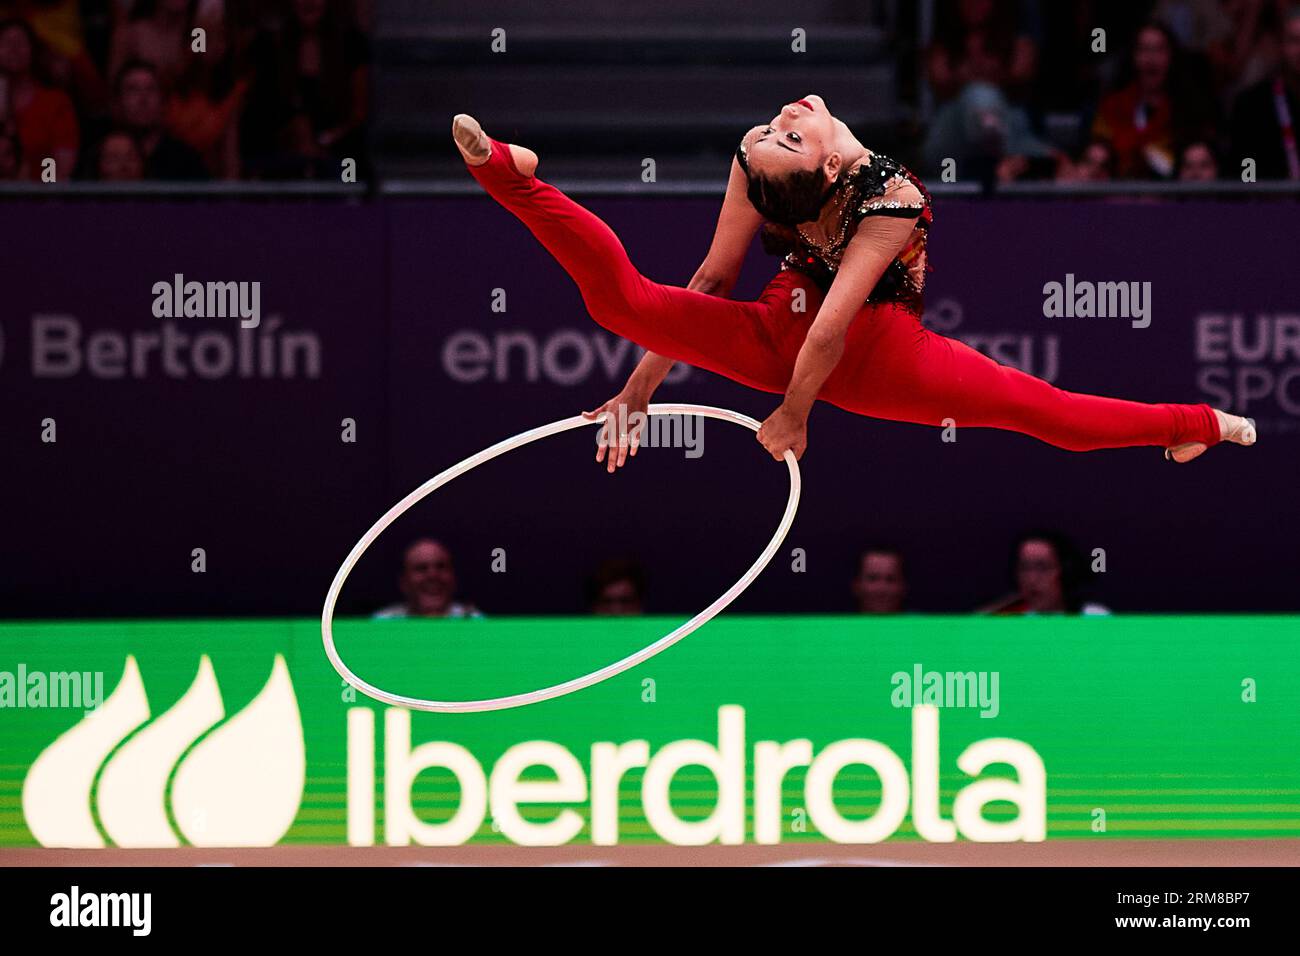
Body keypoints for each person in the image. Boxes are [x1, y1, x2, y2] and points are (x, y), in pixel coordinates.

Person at [452, 98, 1256, 473]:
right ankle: (510, 176)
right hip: (784, 328)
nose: (779, 118)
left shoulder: (891, 197)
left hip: (875, 345)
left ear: (832, 169)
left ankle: (1201, 423)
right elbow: (711, 279)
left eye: (783, 132)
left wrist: (795, 414)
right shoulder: (762, 167)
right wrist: (638, 391)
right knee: (619, 302)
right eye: (777, 134)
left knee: (1046, 414)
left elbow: (838, 329)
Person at [0, 18, 78, 178]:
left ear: (32, 50)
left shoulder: (55, 103)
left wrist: (43, 192)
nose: (14, 49)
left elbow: (59, 167)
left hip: (38, 198)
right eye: (6, 42)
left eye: (20, 42)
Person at [1229, 8, 1300, 180]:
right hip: (1270, 204)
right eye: (1294, 41)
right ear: (1281, 45)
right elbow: (1246, 162)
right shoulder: (1251, 104)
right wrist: (1253, 189)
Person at [112, 59, 207, 178]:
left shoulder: (187, 161)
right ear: (117, 103)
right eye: (133, 90)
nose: (143, 99)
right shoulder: (100, 158)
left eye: (151, 89)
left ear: (163, 102)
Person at [980, 531, 1110, 615]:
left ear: (1065, 572)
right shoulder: (1006, 625)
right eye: (1024, 568)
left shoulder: (1094, 618)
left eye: (1042, 567)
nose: (1032, 578)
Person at [373, 538, 481, 619]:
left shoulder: (474, 621)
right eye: (421, 568)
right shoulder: (382, 624)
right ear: (403, 582)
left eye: (441, 566)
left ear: (453, 578)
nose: (432, 575)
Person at [851, 548, 907, 614]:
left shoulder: (918, 623)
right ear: (856, 586)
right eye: (873, 579)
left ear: (903, 587)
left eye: (890, 580)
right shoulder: (839, 623)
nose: (881, 589)